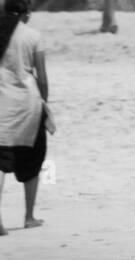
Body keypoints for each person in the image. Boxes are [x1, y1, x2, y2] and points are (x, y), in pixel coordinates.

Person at [0, 0, 48, 237]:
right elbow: (42, 78)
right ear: (27, 14)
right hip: (28, 106)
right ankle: (29, 217)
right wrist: (45, 104)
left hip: (1, 105)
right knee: (33, 160)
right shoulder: (33, 36)